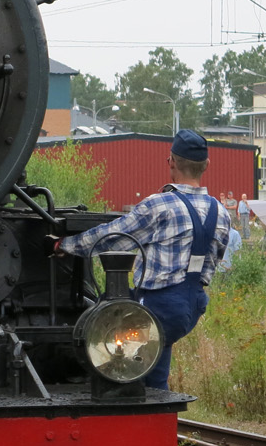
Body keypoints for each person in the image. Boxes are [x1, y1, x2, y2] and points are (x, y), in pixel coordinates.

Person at [55, 129, 231, 391]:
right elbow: (214, 260)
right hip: (193, 306)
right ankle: (160, 408)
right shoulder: (221, 213)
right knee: (155, 368)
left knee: (118, 369)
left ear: (171, 161)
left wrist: (65, 245)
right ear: (207, 165)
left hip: (159, 303)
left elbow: (113, 237)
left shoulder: (158, 205)